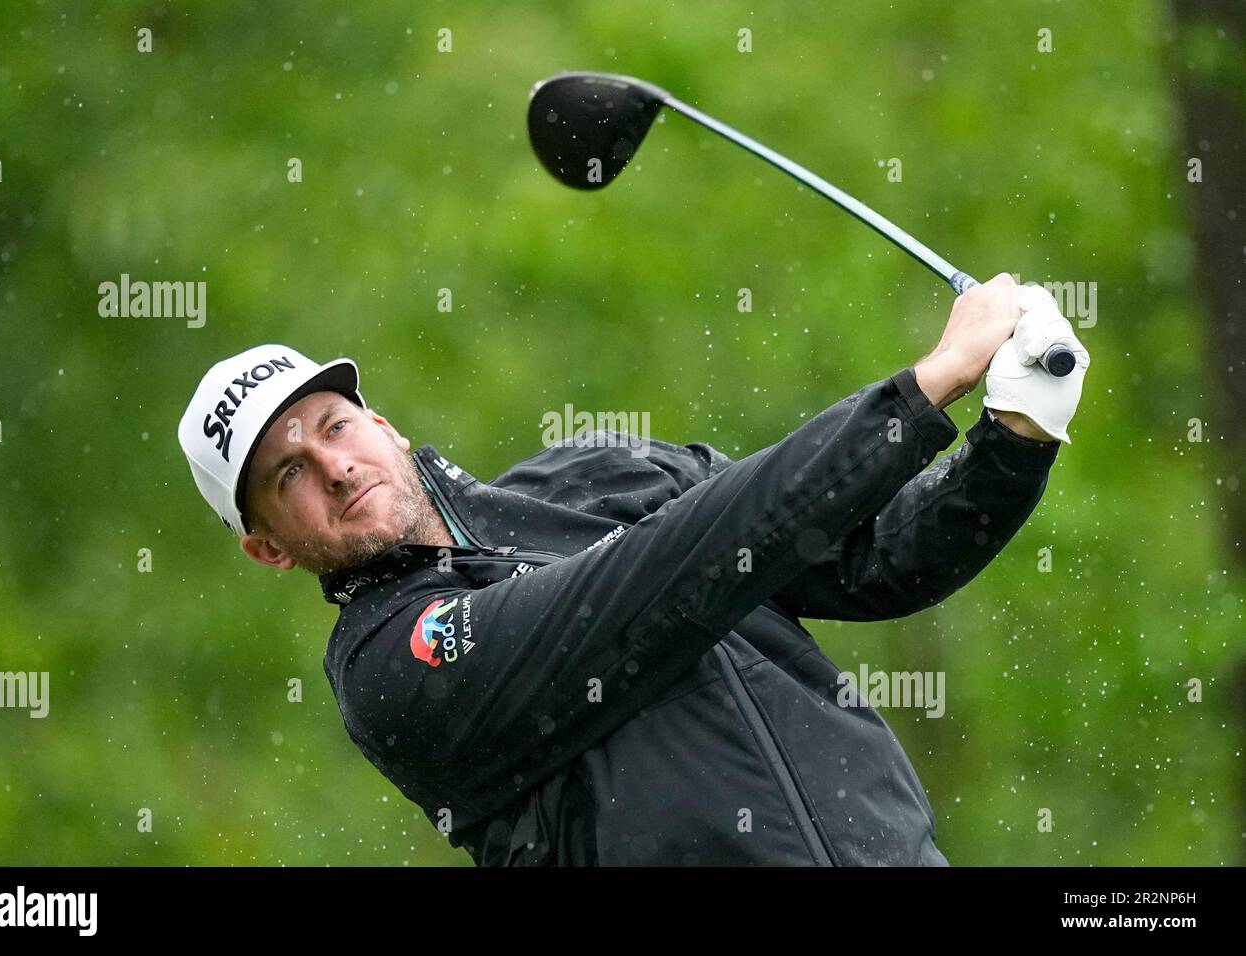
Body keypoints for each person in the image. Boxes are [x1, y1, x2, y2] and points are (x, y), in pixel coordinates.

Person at [177, 273, 1090, 865]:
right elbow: (652, 586)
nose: (335, 467)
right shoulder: (385, 667)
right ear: (267, 546)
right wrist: (922, 389)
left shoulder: (602, 474)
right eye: (288, 474)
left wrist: (1015, 434)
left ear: (385, 427)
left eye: (336, 426)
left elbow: (874, 559)